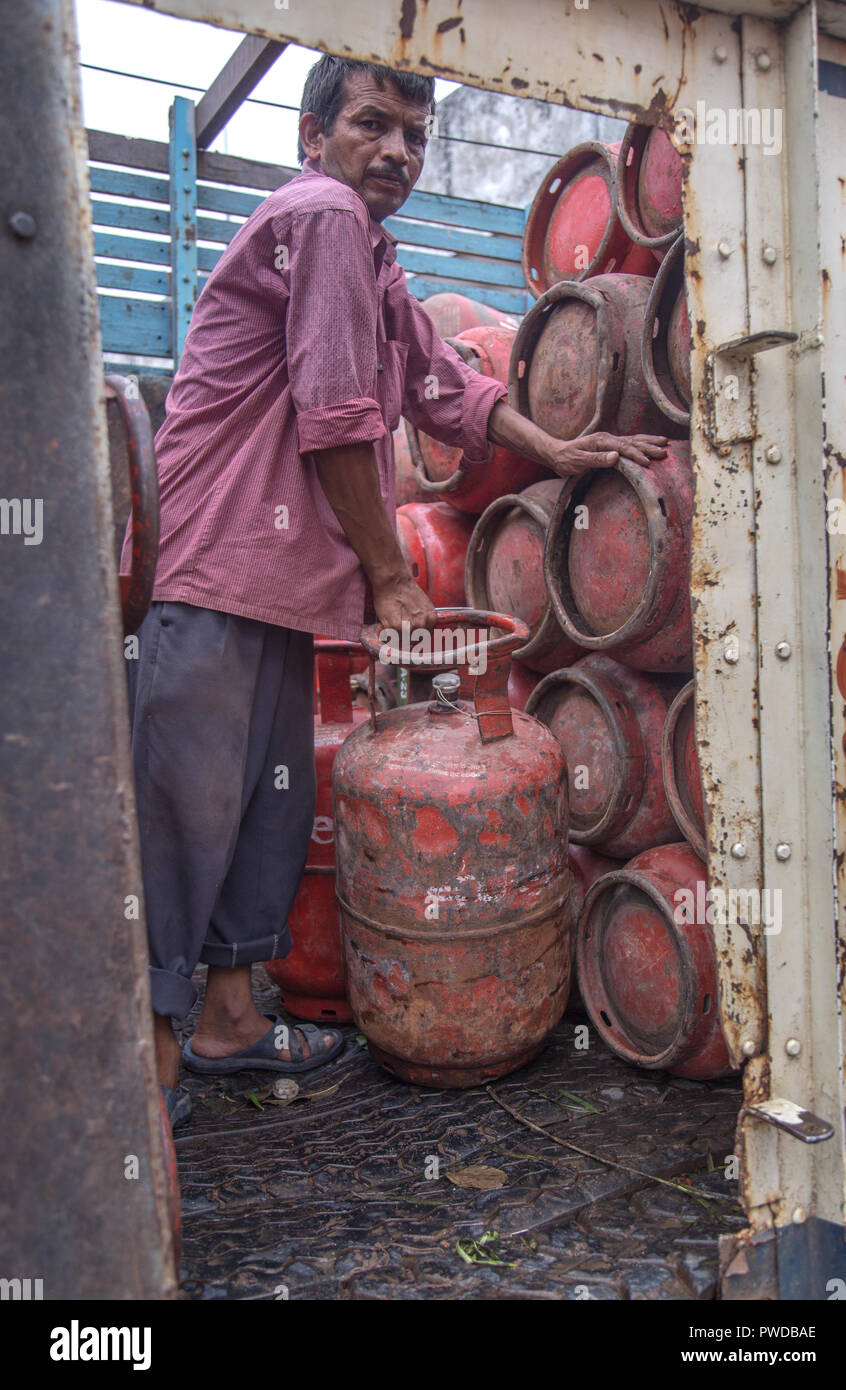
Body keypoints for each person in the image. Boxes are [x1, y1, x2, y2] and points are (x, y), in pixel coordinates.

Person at [120, 54, 667, 1128]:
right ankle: (144, 1077)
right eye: (373, 125)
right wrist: (388, 580)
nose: (398, 153)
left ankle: (231, 1021)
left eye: (414, 137)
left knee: (266, 817)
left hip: (279, 591)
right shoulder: (319, 215)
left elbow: (442, 385)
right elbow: (335, 416)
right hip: (220, 570)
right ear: (312, 137)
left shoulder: (367, 254)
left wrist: (556, 450)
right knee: (182, 823)